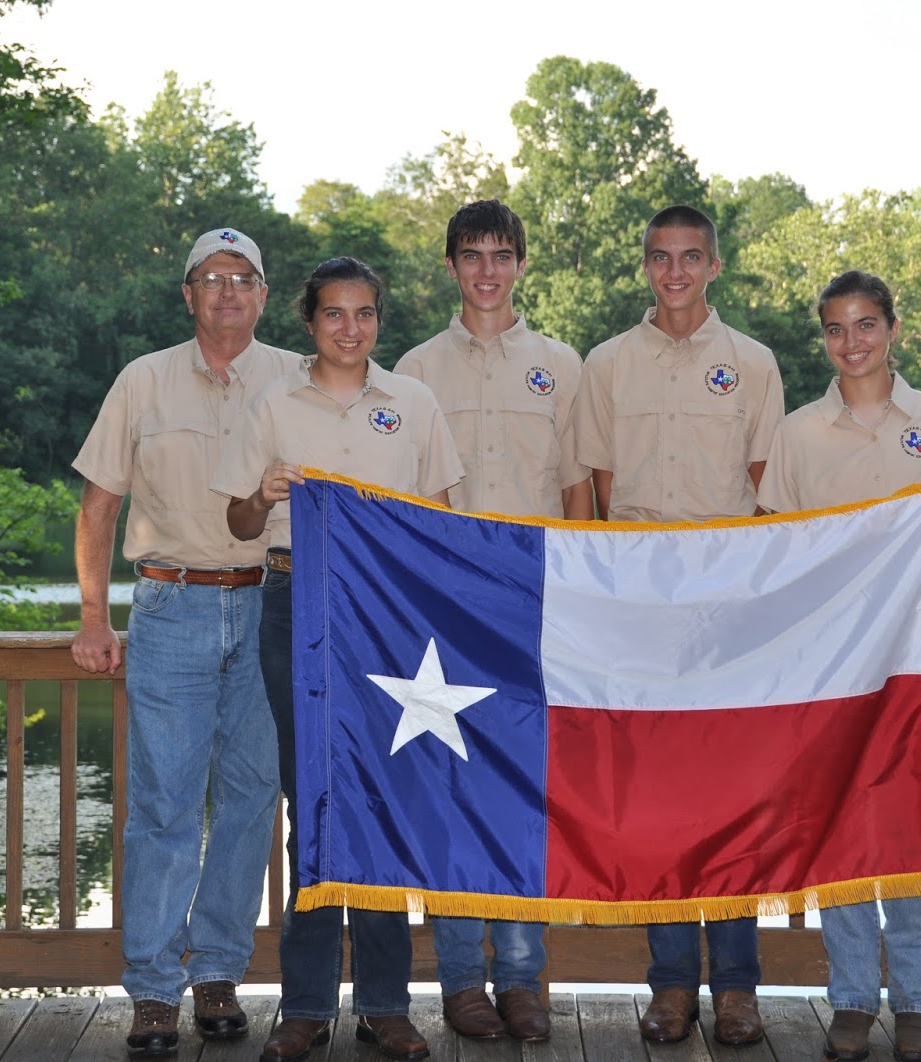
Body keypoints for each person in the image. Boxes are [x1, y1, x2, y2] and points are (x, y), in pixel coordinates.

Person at [214, 257, 464, 1062]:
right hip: (296, 603)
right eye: (333, 315)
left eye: (363, 314)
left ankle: (387, 1004)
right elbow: (240, 524)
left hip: (390, 619)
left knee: (383, 799)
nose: (349, 328)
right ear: (310, 321)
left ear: (378, 321)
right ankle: (307, 1004)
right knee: (313, 801)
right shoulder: (271, 402)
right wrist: (265, 494)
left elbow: (443, 521)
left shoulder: (414, 403)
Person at [70, 228, 301, 1059]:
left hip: (272, 607)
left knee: (249, 802)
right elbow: (98, 507)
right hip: (172, 608)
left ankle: (219, 974)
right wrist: (96, 619)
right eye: (213, 279)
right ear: (189, 293)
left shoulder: (295, 379)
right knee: (165, 806)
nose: (229, 292)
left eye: (244, 279)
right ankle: (155, 989)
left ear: (265, 295)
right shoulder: (143, 382)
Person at [757, 269, 921, 1062]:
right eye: (834, 329)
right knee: (844, 833)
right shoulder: (797, 433)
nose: (850, 343)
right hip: (830, 671)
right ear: (822, 337)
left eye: (865, 325)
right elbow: (774, 551)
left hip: (916, 663)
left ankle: (919, 1000)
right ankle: (853, 999)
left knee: (911, 828)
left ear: (894, 327)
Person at [573, 204, 784, 1046]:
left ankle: (736, 987)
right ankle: (670, 985)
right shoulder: (607, 364)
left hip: (725, 598)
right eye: (660, 258)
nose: (675, 273)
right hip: (634, 599)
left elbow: (771, 489)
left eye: (691, 258)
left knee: (730, 798)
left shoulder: (755, 364)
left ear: (715, 265)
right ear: (645, 265)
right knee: (656, 799)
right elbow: (591, 487)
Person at [392, 199, 589, 1044]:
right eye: (470, 255)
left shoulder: (560, 364)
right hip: (444, 614)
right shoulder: (410, 369)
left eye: (501, 254)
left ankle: (520, 977)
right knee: (451, 791)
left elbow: (579, 489)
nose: (486, 270)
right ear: (450, 266)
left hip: (535, 611)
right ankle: (462, 981)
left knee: (522, 796)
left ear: (520, 264)